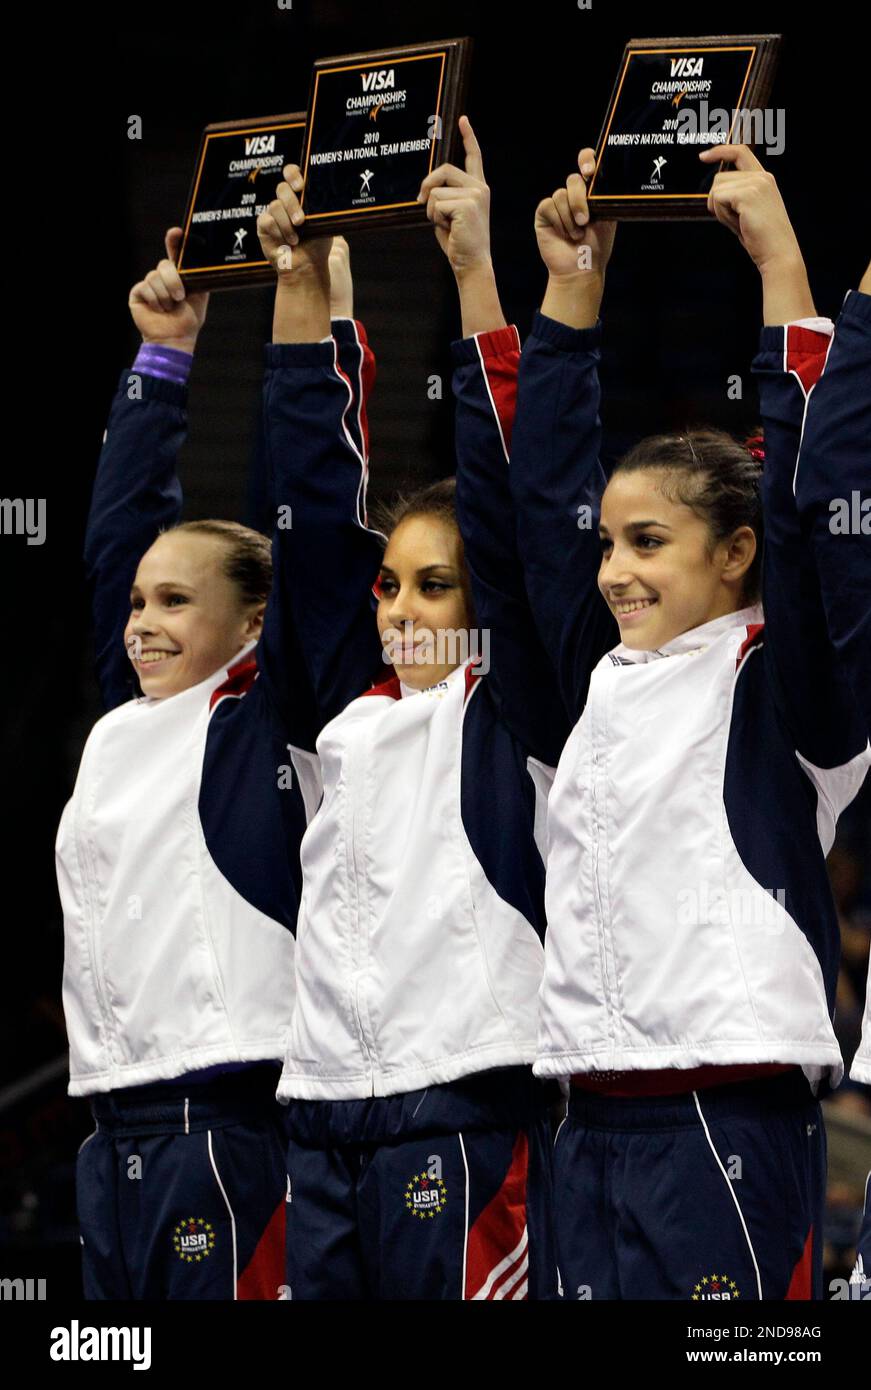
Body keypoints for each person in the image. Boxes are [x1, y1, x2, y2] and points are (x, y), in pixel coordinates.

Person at [507, 142, 870, 1300]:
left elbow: (817, 506)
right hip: (579, 1116)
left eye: (647, 543)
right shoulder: (595, 683)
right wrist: (569, 294)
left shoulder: (787, 689)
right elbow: (536, 496)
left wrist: (777, 259)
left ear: (736, 551)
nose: (612, 571)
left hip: (725, 1116)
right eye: (608, 543)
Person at [255, 119, 577, 1300]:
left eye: (434, 583)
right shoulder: (346, 716)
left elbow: (514, 494)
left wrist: (475, 273)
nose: (398, 607)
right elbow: (305, 501)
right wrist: (298, 294)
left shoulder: (516, 710)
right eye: (391, 582)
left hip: (468, 1100)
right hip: (323, 1105)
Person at [56, 229, 367, 1299]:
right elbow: (113, 543)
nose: (141, 622)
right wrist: (162, 358)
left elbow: (314, 521)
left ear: (253, 624)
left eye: (175, 601)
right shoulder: (121, 725)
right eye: (141, 604)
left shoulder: (263, 717)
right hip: (109, 1123)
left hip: (228, 1118)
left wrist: (312, 325)